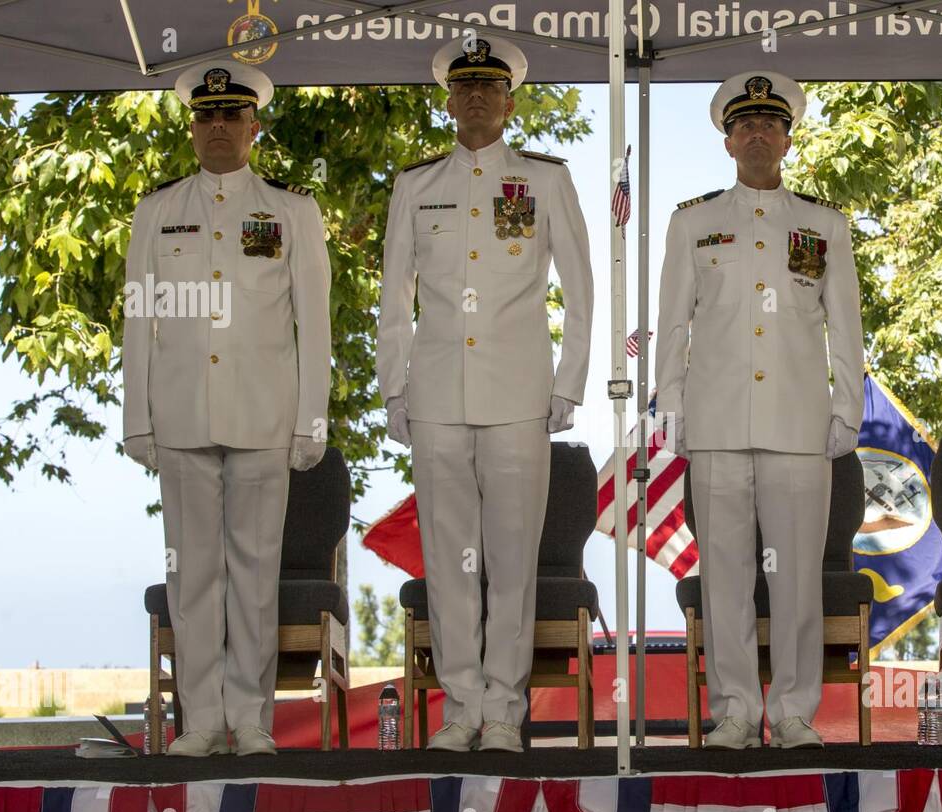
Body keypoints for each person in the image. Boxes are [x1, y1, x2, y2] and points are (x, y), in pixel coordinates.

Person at [377, 34, 593, 753]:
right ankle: (458, 706)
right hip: (436, 393)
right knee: (449, 559)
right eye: (464, 87)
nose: (476, 97)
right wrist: (392, 390)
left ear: (509, 100)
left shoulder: (546, 180)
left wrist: (569, 382)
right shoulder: (417, 185)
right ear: (447, 101)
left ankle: (504, 707)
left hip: (518, 396)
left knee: (510, 559)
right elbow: (394, 298)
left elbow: (581, 289)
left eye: (489, 87)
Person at [122, 61, 332, 756]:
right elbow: (139, 318)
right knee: (192, 572)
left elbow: (314, 322)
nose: (218, 127)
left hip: (264, 416)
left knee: (255, 571)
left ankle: (250, 720)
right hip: (181, 414)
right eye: (206, 117)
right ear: (191, 128)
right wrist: (137, 417)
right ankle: (202, 720)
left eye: (231, 116)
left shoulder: (291, 211)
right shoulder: (156, 210)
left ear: (254, 127)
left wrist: (312, 418)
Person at [655, 72, 864, 749]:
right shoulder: (694, 222)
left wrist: (847, 408)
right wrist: (672, 406)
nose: (757, 135)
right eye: (744, 125)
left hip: (799, 422)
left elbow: (846, 328)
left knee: (799, 576)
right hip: (716, 423)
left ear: (788, 139)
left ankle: (796, 710)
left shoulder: (824, 224)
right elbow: (673, 326)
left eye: (769, 125)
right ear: (726, 140)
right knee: (724, 576)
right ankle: (736, 709)